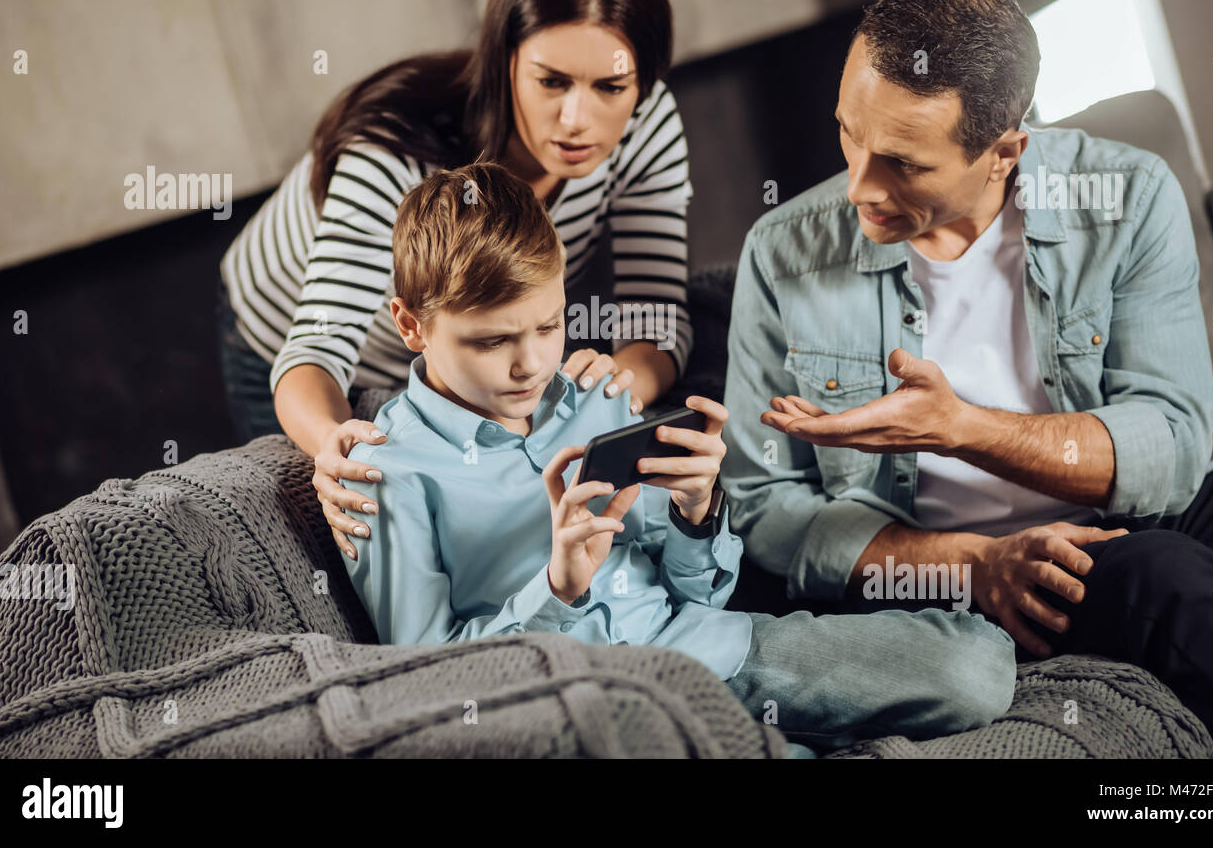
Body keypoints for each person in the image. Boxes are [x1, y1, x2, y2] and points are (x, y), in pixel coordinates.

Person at [721, 0, 1213, 757]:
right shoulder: (782, 256)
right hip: (945, 577)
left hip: (1120, 514)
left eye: (904, 165)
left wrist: (961, 428)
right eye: (849, 133)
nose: (858, 188)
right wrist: (974, 566)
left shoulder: (1129, 196)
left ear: (1004, 150)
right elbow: (767, 507)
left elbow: (1174, 442)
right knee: (1166, 578)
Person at [338, 161, 1017, 757]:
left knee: (977, 667)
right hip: (585, 707)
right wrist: (558, 589)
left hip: (710, 647)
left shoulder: (595, 399)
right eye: (491, 342)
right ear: (411, 324)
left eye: (548, 324)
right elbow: (429, 688)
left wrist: (698, 512)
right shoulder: (385, 472)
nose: (531, 362)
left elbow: (700, 592)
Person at [216, 0, 696, 558]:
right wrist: (339, 443)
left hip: (465, 352)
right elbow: (314, 349)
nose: (578, 120)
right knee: (354, 536)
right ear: (504, 62)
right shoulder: (393, 153)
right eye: (551, 82)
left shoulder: (648, 122)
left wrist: (616, 383)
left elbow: (654, 315)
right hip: (289, 345)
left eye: (611, 88)